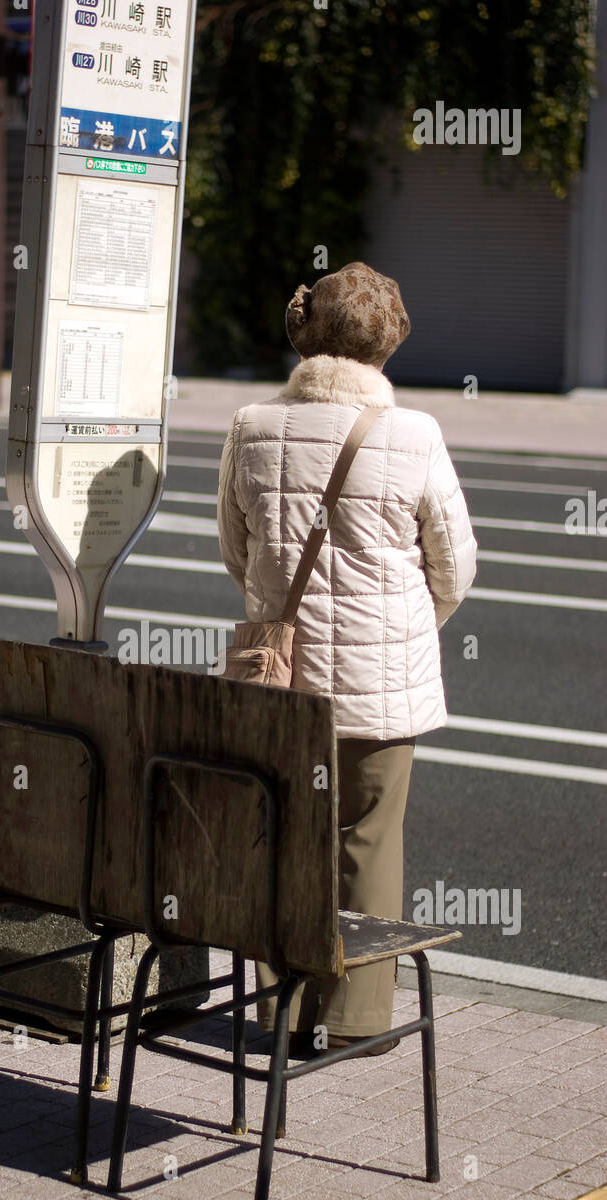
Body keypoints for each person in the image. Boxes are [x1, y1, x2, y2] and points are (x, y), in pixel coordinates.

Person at [216, 262, 477, 1056]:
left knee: (284, 837)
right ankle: (357, 1020)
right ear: (385, 348)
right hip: (378, 694)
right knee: (367, 841)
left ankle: (282, 1013)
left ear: (308, 339)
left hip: (279, 687)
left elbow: (237, 550)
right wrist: (403, 626)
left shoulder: (253, 425)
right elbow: (454, 565)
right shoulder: (415, 434)